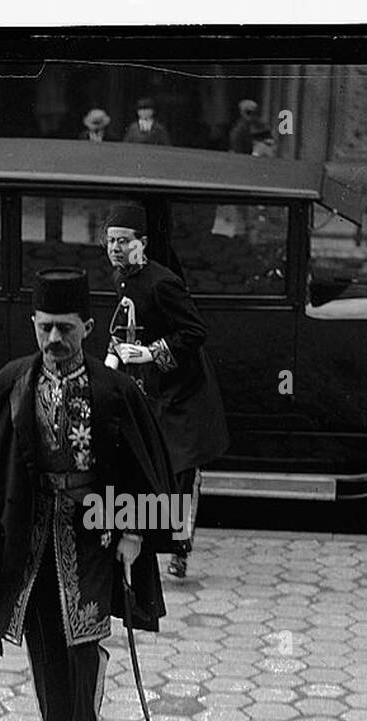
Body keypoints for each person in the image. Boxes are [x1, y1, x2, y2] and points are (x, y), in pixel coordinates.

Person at [0, 269, 177, 721]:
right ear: (33, 324)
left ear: (88, 328)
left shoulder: (115, 392)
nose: (55, 339)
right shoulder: (12, 384)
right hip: (29, 534)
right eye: (46, 327)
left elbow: (141, 465)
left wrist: (134, 532)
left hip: (92, 532)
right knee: (44, 642)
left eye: (66, 329)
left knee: (86, 639)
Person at [101, 203, 230, 579]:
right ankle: (143, 539)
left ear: (142, 243)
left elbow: (194, 332)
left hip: (184, 391)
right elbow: (122, 325)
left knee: (181, 471)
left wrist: (150, 353)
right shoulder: (121, 278)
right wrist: (110, 366)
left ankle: (180, 548)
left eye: (123, 241)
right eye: (110, 241)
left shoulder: (163, 282)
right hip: (151, 388)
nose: (115, 249)